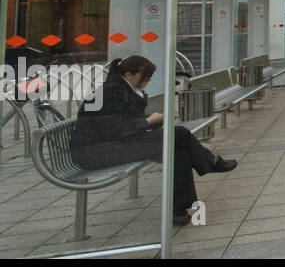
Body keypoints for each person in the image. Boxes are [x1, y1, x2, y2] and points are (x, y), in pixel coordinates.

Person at [71, 56, 237, 225]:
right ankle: (209, 163)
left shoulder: (121, 89)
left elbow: (122, 125)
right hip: (95, 152)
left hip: (108, 147)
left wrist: (154, 120)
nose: (148, 80)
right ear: (129, 75)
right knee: (179, 135)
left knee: (177, 147)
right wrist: (149, 121)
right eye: (146, 76)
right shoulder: (110, 91)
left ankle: (179, 209)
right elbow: (114, 129)